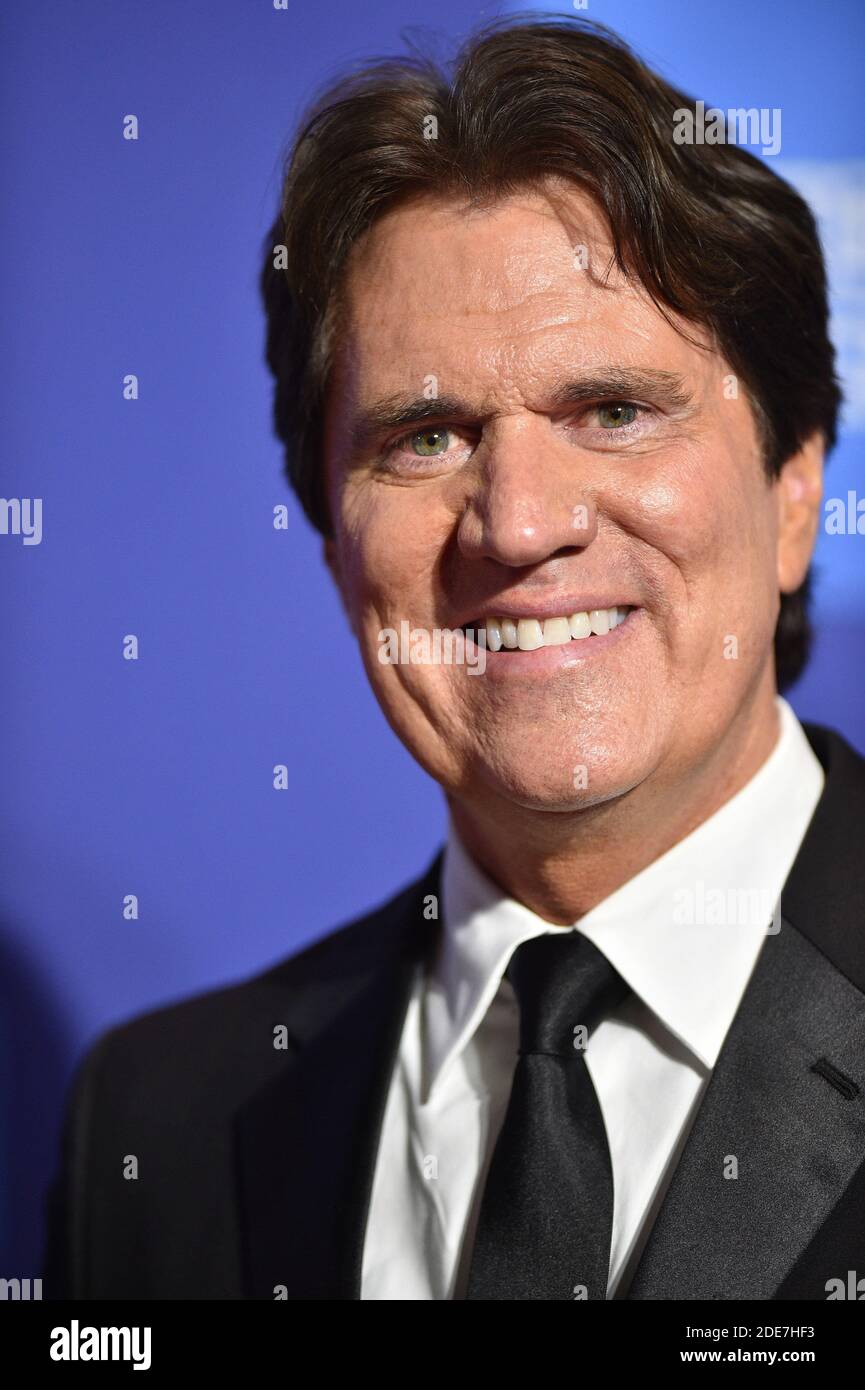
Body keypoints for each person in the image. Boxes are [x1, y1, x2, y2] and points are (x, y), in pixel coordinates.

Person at [43, 15, 865, 1301]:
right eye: (425, 437)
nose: (521, 522)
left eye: (613, 411)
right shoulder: (160, 1130)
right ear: (329, 540)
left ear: (797, 489)